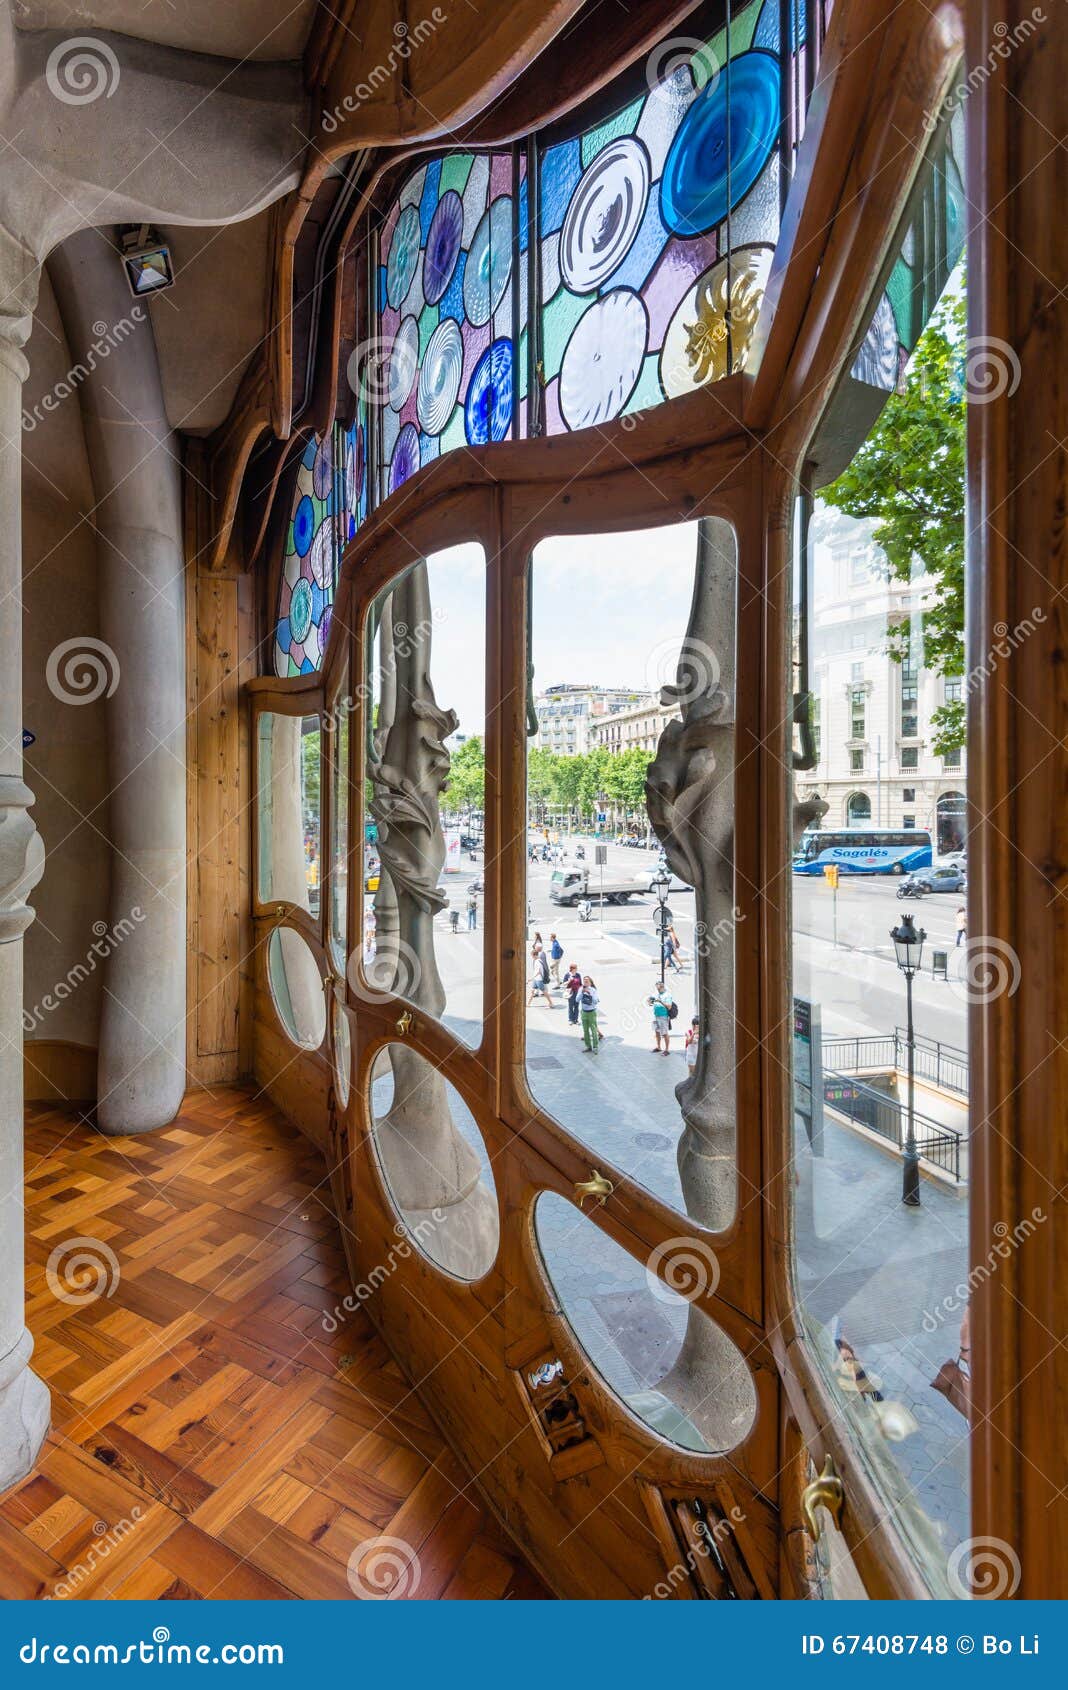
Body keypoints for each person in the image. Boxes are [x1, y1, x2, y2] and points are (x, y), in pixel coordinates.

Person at [648, 980, 674, 1053]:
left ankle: (667, 1049)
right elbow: (650, 999)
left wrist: (660, 1001)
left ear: (662, 987)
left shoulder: (667, 995)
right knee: (656, 1032)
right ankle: (658, 1047)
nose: (658, 990)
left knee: (664, 1033)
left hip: (663, 1016)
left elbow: (669, 1007)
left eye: (659, 988)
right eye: (657, 988)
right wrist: (649, 1001)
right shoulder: (656, 993)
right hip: (655, 1015)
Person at [579, 975, 600, 1052]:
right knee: (585, 1030)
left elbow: (595, 1001)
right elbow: (577, 1000)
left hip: (591, 1012)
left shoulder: (593, 990)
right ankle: (588, 1046)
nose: (585, 981)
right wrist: (582, 992)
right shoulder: (581, 989)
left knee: (593, 1030)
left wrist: (589, 993)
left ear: (590, 982)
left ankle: (595, 1047)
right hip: (584, 1012)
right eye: (584, 980)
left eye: (587, 980)